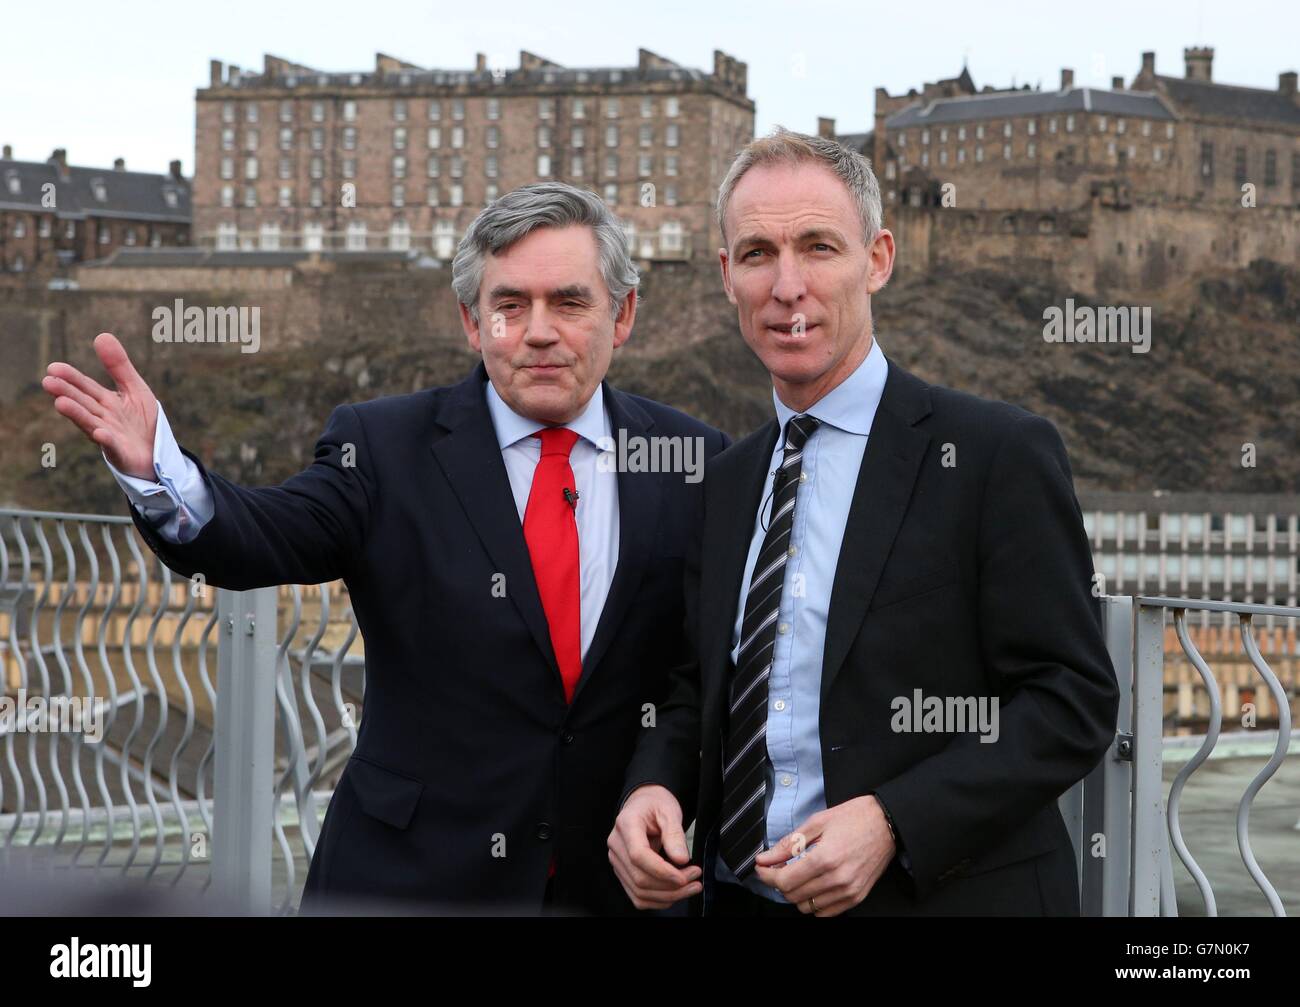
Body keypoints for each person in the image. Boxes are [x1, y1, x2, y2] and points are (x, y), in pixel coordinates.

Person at [43, 181, 727, 916]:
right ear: (471, 320)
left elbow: (696, 675)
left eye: (569, 302)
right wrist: (161, 474)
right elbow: (262, 537)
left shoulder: (692, 458)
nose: (537, 331)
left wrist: (661, 781)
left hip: (618, 894)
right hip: (406, 883)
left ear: (620, 315)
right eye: (509, 305)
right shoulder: (383, 446)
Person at [608, 128, 1119, 917]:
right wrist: (654, 784)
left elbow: (1069, 700)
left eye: (818, 247)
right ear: (725, 276)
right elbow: (696, 686)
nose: (787, 286)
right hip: (737, 899)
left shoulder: (994, 454)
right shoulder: (727, 479)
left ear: (877, 258)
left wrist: (893, 821)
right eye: (756, 254)